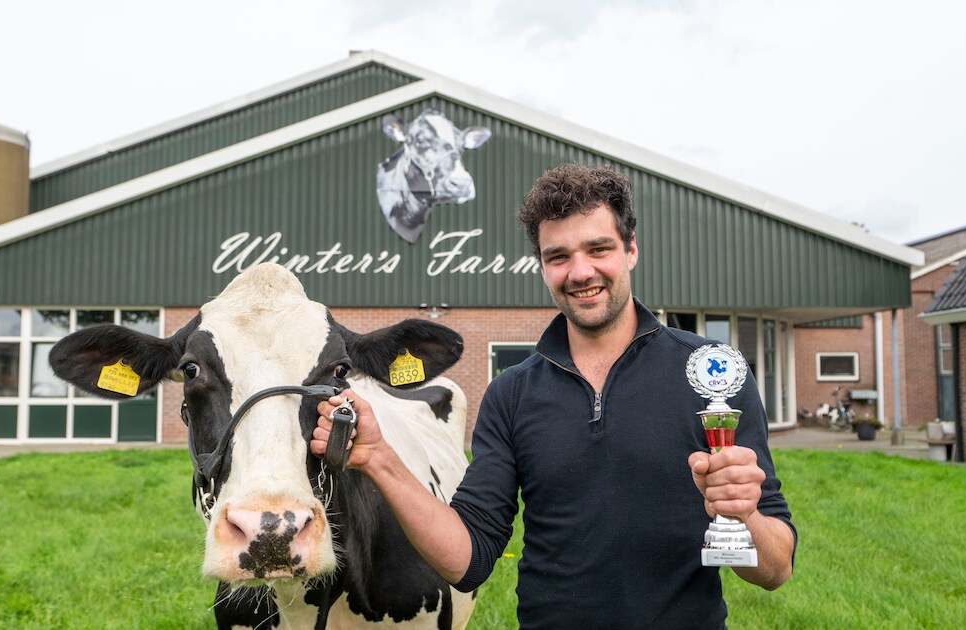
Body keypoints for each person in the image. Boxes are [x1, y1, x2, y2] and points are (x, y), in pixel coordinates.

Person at [312, 164, 796, 629]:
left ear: (631, 250)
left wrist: (743, 512)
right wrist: (379, 459)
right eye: (558, 256)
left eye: (598, 248)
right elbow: (468, 560)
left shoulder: (710, 372)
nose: (579, 272)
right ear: (542, 266)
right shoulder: (511, 393)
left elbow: (775, 570)